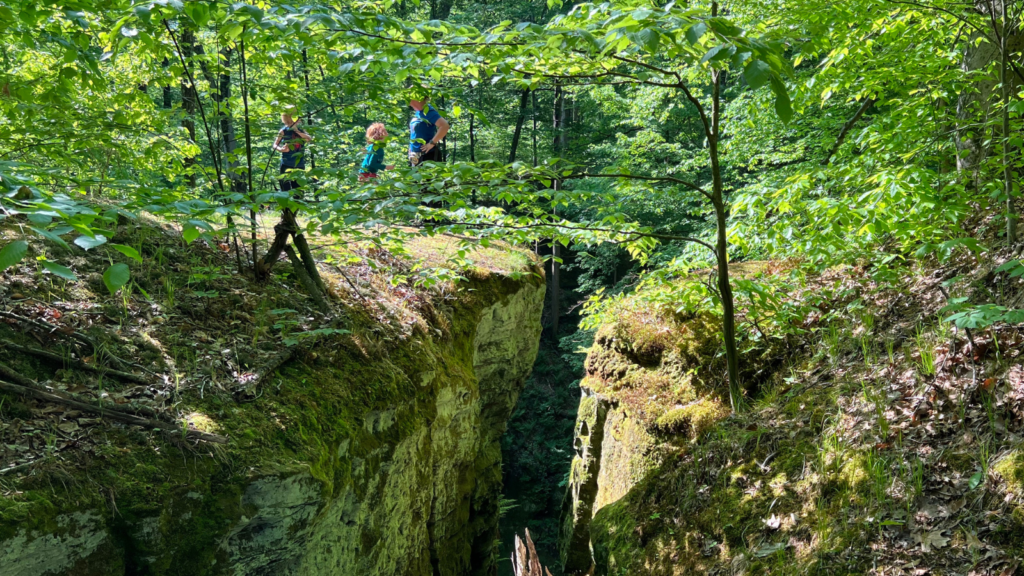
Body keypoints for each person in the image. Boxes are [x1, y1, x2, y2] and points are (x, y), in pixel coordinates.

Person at [273, 111, 312, 193]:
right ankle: (286, 206)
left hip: (299, 165)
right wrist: (281, 149)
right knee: (285, 190)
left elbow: (309, 139)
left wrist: (296, 130)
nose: (299, 120)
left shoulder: (301, 130)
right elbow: (275, 145)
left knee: (298, 191)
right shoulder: (283, 131)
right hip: (286, 164)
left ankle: (297, 205)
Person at [408, 97, 450, 166]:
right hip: (415, 157)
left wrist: (431, 143)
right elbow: (414, 133)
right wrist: (410, 151)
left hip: (428, 157)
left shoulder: (428, 111)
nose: (408, 102)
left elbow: (444, 126)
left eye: (409, 97)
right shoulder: (418, 112)